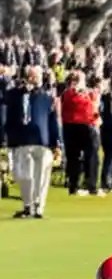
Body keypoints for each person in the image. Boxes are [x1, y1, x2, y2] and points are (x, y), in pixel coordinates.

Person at [4, 65, 60, 219]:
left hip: (42, 141)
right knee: (25, 176)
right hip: (22, 140)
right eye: (31, 75)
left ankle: (38, 206)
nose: (33, 78)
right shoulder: (16, 95)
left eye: (36, 76)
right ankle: (27, 204)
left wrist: (57, 143)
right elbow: (6, 104)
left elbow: (53, 121)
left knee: (42, 176)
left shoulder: (47, 98)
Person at [61, 70, 103, 197]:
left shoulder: (72, 93)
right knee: (89, 157)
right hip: (83, 125)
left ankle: (75, 185)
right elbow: (89, 109)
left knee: (75, 157)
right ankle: (89, 186)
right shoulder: (71, 94)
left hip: (72, 126)